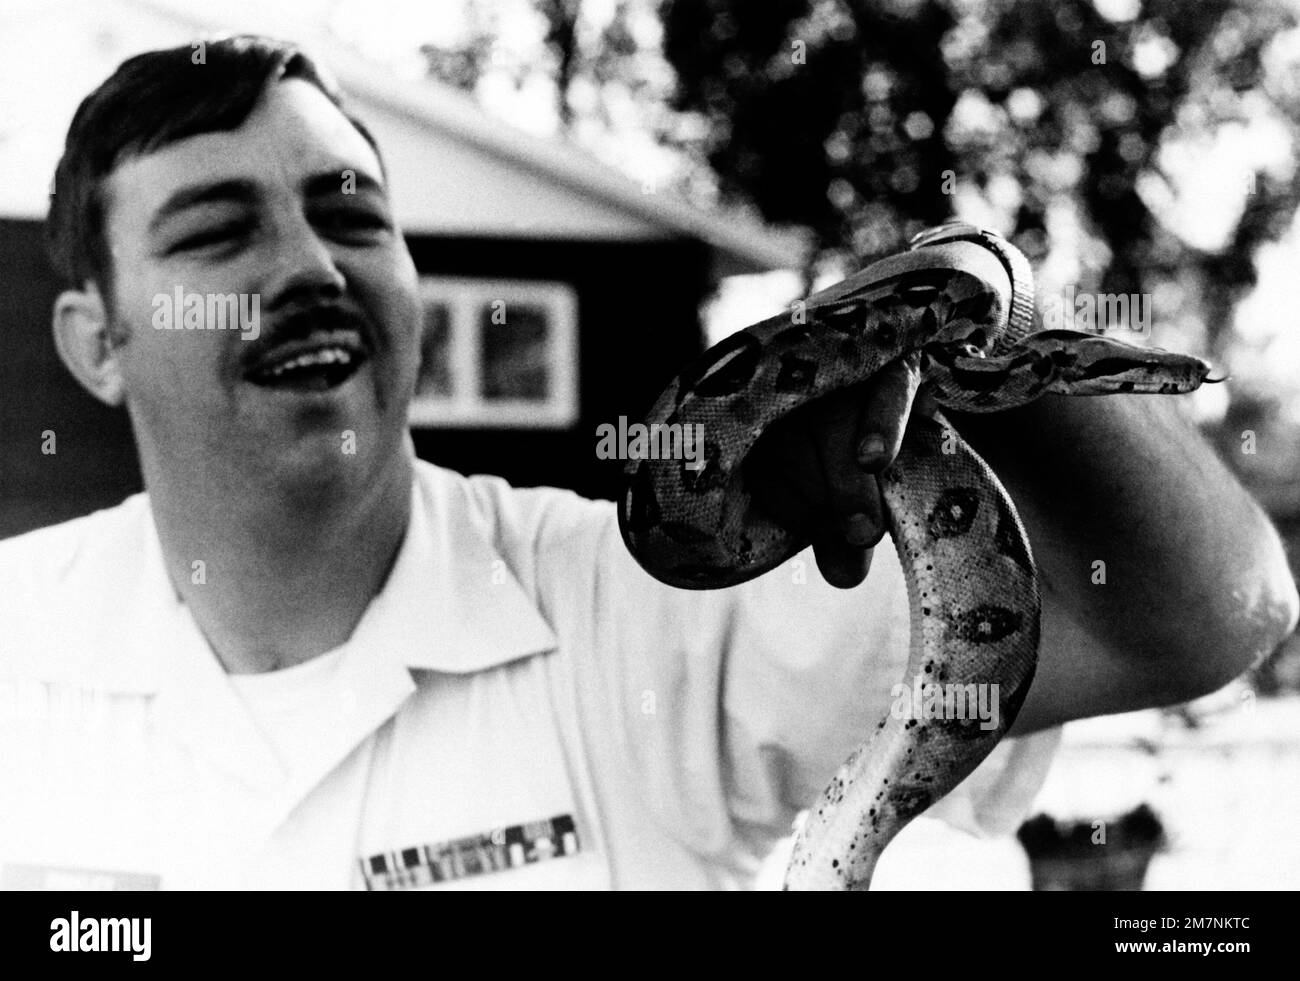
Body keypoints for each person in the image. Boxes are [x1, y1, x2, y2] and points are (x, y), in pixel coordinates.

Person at [0, 35, 1294, 891]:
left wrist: (979, 296)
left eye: (349, 213)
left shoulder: (642, 608)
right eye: (220, 232)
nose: (309, 269)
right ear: (96, 337)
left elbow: (1212, 614)